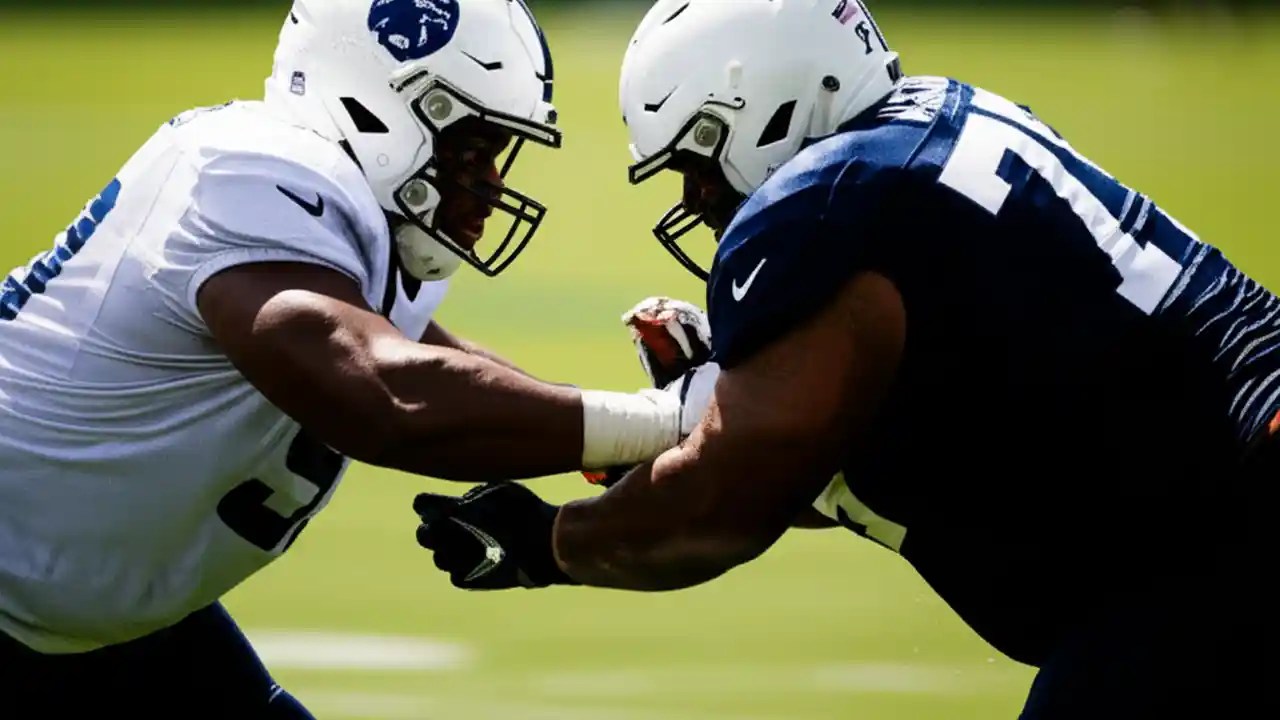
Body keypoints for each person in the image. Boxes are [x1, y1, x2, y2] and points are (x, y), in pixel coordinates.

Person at [411, 1, 1270, 717]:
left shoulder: (831, 198)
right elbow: (883, 450)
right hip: (1212, 504)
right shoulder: (937, 121)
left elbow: (726, 503)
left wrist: (547, 542)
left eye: (698, 160)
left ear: (765, 104)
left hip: (1225, 526)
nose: (697, 197)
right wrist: (706, 418)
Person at [0, 0, 709, 716]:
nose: (492, 182)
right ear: (379, 109)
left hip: (83, 620)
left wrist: (626, 440)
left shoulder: (339, 217)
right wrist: (664, 417)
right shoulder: (251, 169)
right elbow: (386, 392)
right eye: (470, 147)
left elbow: (430, 360)